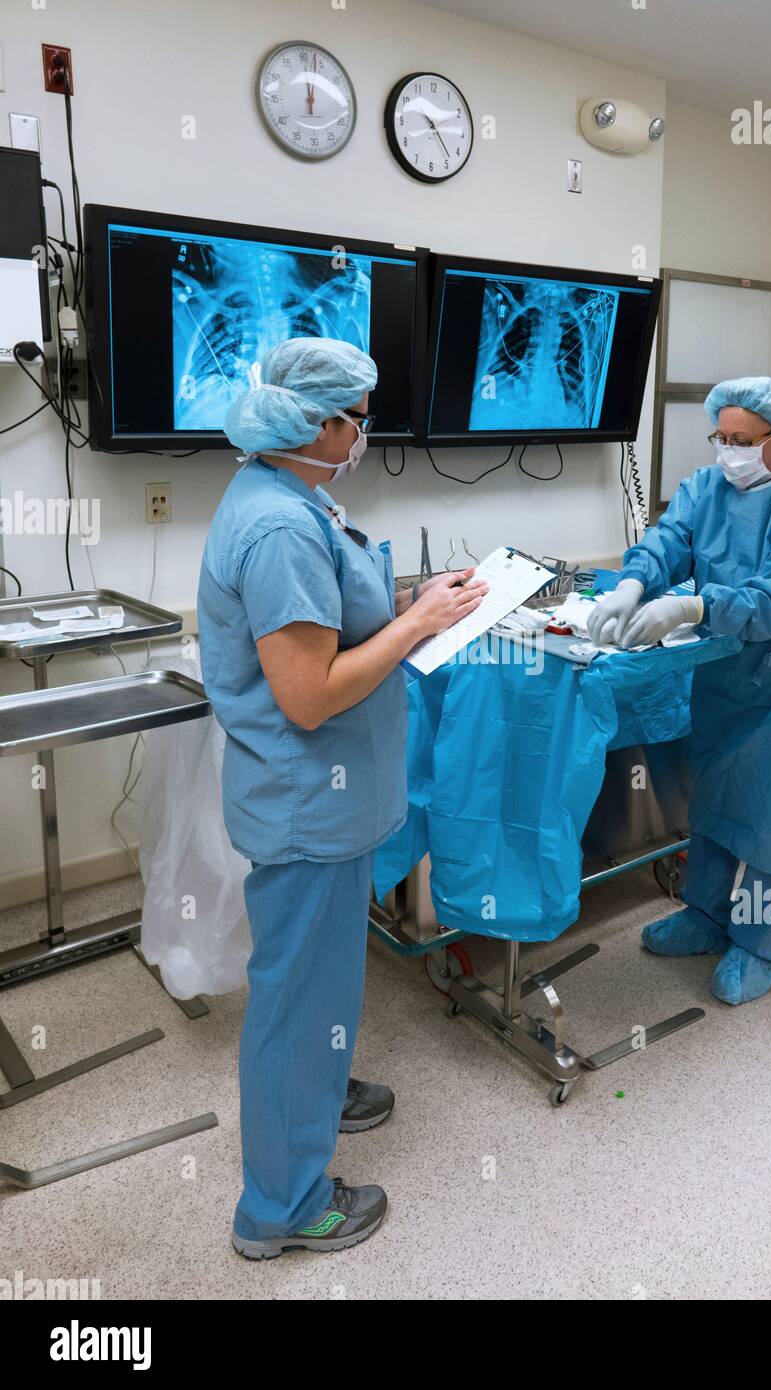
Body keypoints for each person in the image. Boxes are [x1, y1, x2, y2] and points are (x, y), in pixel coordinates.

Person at [197, 338, 487, 1258]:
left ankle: (318, 1090)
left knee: (321, 976)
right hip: (305, 805)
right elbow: (311, 693)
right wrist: (416, 625)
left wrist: (414, 598)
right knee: (294, 993)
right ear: (317, 423)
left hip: (328, 800)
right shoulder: (280, 528)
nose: (364, 434)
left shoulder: (293, 500)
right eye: (358, 420)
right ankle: (282, 1208)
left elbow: (337, 616)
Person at [589, 376, 771, 1005]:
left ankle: (759, 945)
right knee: (715, 803)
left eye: (743, 440)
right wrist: (634, 584)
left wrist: (694, 608)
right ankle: (703, 915)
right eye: (720, 438)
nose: (728, 451)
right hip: (724, 679)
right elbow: (670, 540)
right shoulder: (707, 487)